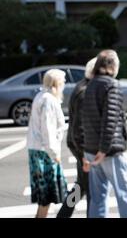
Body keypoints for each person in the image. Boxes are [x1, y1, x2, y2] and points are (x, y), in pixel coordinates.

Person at [82, 50, 127, 218]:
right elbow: (111, 119)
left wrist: (85, 151)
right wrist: (104, 149)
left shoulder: (90, 84)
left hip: (91, 150)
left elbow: (83, 120)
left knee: (98, 197)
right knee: (126, 194)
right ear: (112, 66)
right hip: (107, 151)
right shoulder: (111, 85)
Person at [57, 58, 97, 218]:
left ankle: (63, 215)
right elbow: (79, 128)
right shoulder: (85, 91)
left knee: (82, 186)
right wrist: (83, 156)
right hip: (82, 148)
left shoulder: (83, 86)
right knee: (90, 189)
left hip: (79, 146)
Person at [27, 69, 68, 218]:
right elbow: (48, 129)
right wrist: (54, 153)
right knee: (46, 195)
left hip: (39, 150)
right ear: (56, 83)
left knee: (45, 196)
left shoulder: (41, 96)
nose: (64, 85)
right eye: (62, 82)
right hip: (44, 152)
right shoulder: (49, 100)